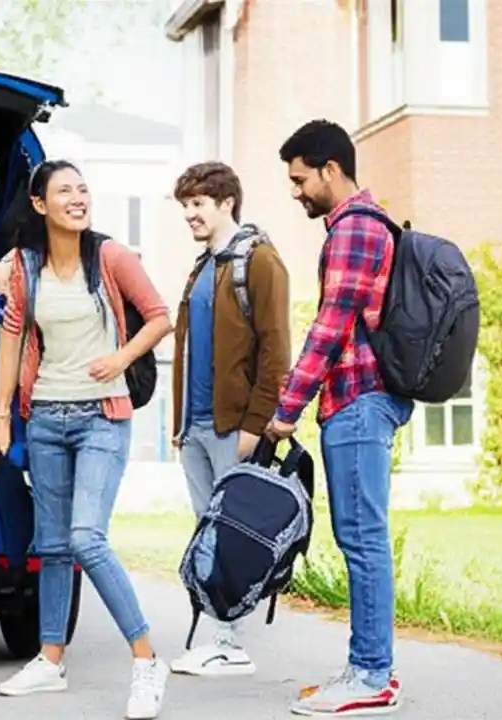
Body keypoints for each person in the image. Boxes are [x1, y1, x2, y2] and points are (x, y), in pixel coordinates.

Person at [0, 159, 174, 720]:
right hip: (44, 417)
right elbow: (13, 336)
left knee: (87, 538)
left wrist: (122, 355)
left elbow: (160, 317)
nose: (78, 197)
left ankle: (145, 661)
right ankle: (49, 659)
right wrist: (2, 419)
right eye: (65, 190)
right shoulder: (26, 264)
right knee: (52, 544)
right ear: (40, 205)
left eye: (84, 189)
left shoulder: (110, 256)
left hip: (102, 418)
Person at [264, 120, 413, 717]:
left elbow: (330, 329)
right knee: (360, 538)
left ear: (330, 168)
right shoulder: (365, 224)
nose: (295, 191)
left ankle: (372, 675)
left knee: (363, 540)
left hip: (357, 398)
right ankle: (365, 666)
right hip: (359, 400)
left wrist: (284, 412)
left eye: (300, 179)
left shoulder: (353, 227)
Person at [165, 161, 291, 677]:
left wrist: (255, 424)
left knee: (232, 536)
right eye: (185, 206)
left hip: (233, 426)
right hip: (196, 427)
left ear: (226, 204)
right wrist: (180, 423)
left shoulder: (260, 263)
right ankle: (218, 634)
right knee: (207, 533)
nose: (190, 215)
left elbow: (277, 353)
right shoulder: (204, 266)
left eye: (198, 204)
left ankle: (229, 643)